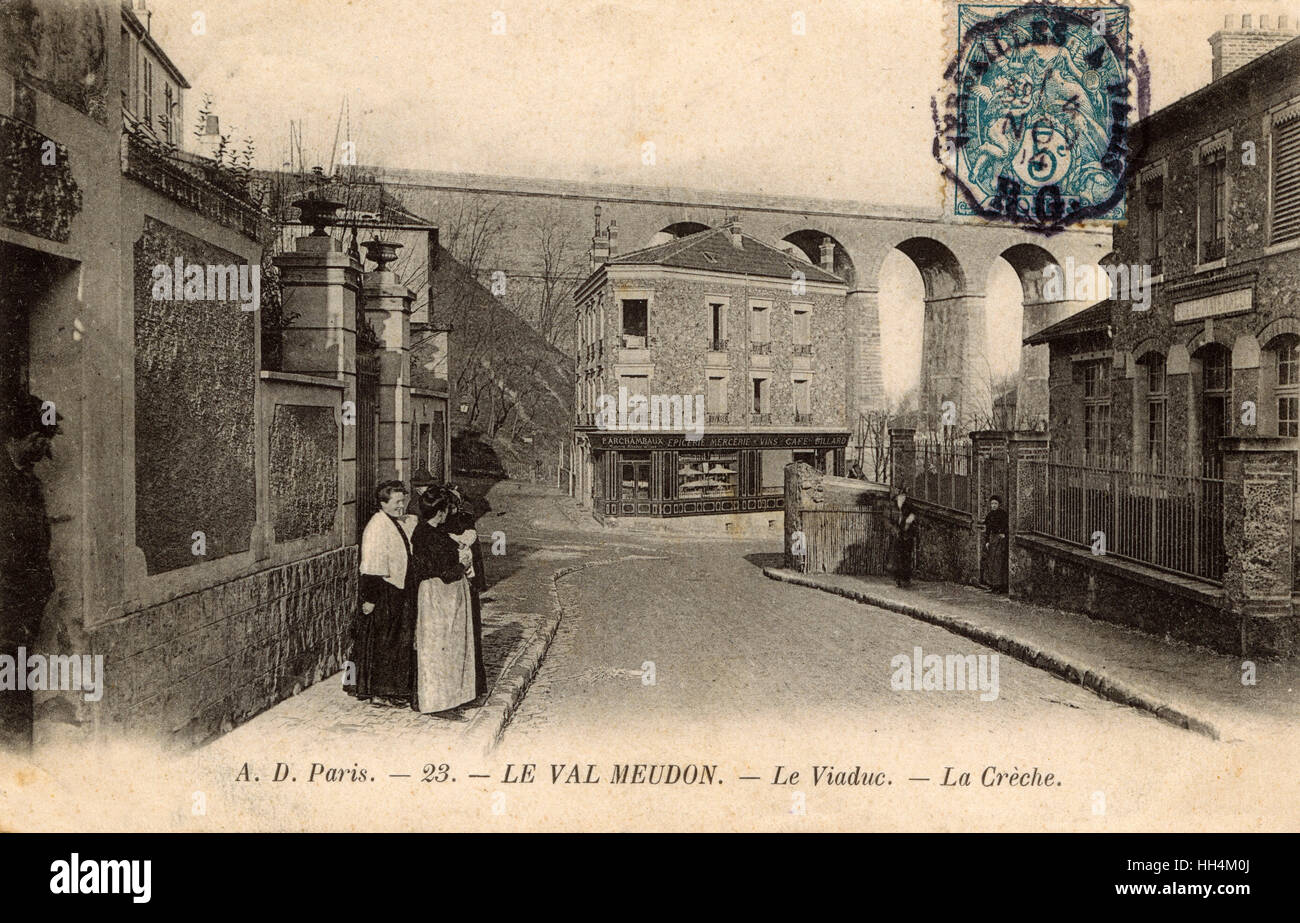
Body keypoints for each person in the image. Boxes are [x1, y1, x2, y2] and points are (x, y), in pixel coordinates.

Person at [0, 394, 58, 750]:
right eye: (39, 439)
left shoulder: (29, 480)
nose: (44, 448)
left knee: (16, 687)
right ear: (19, 437)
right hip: (5, 605)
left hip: (21, 610)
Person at [408, 487, 478, 714]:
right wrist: (463, 566)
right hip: (439, 596)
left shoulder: (427, 532)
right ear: (440, 511)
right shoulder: (430, 536)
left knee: (443, 647)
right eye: (446, 508)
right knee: (441, 647)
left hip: (439, 595)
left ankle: (446, 698)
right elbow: (443, 571)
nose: (448, 513)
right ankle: (438, 701)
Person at [346, 480, 417, 705]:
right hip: (381, 592)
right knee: (382, 644)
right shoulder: (377, 526)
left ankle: (390, 690)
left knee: (392, 642)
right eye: (396, 502)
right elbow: (371, 568)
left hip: (395, 591)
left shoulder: (393, 522)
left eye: (403, 500)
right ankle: (381, 692)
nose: (401, 505)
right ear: (383, 503)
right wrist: (369, 600)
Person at [446, 483, 488, 698]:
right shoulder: (461, 527)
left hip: (462, 588)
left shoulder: (457, 527)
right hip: (462, 587)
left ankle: (468, 685)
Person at [890, 488, 918, 589]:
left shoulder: (909, 506)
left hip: (907, 535)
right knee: (897, 557)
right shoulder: (894, 506)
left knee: (906, 557)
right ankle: (898, 579)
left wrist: (908, 522)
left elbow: (913, 516)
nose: (902, 497)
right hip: (898, 534)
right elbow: (891, 519)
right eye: (900, 496)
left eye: (903, 496)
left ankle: (906, 579)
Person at [981, 494, 1009, 592]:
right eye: (992, 503)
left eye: (995, 503)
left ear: (999, 504)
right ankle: (992, 584)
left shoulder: (1003, 514)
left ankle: (1000, 585)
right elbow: (987, 529)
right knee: (991, 561)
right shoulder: (989, 515)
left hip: (1000, 540)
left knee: (999, 561)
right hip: (992, 538)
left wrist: (1004, 534)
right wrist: (987, 541)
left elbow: (1006, 527)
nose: (993, 505)